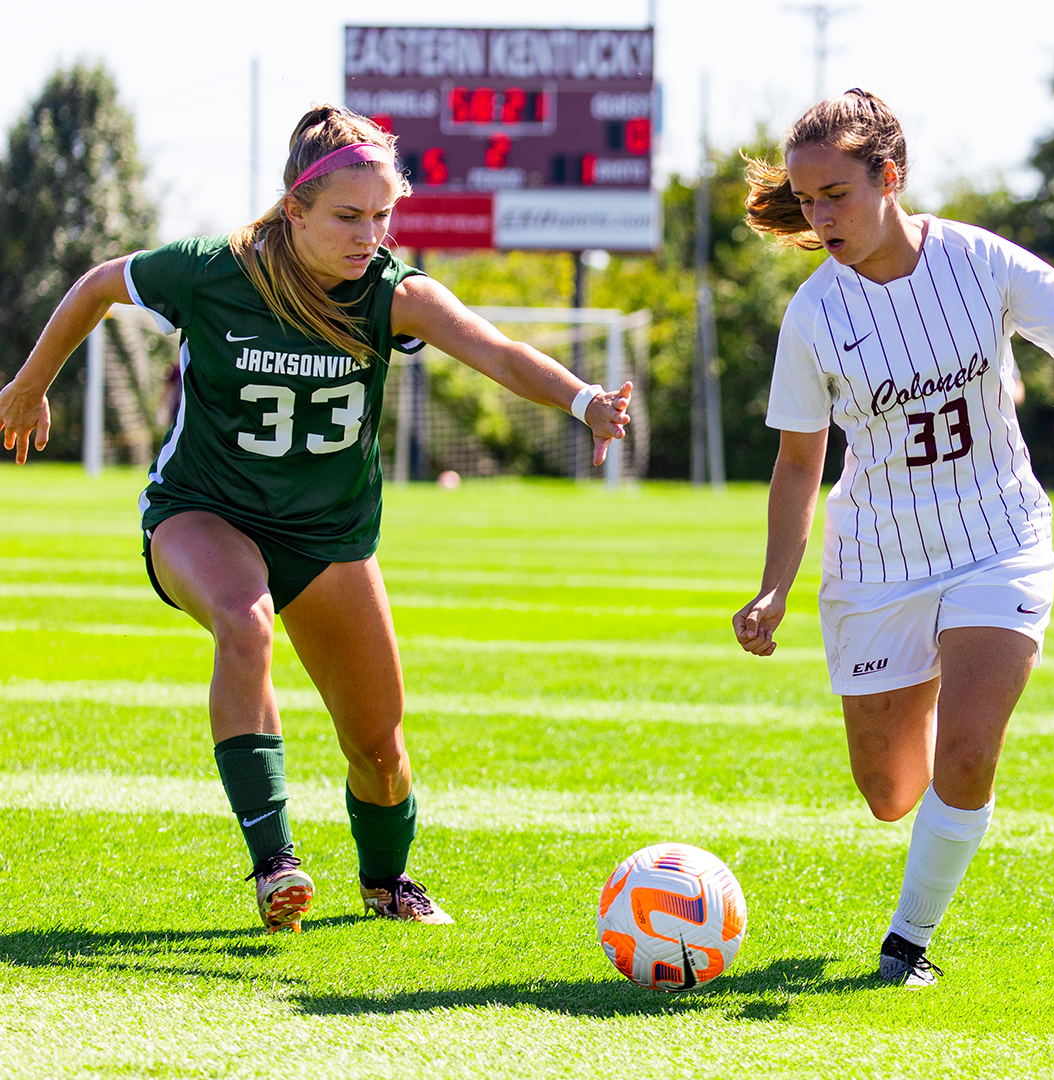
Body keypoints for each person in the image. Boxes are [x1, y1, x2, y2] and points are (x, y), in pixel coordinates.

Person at [0, 105, 632, 933]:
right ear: (293, 210)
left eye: (382, 216)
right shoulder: (210, 270)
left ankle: (386, 882)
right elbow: (95, 287)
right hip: (204, 511)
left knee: (379, 749)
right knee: (245, 620)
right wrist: (28, 385)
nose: (369, 235)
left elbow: (494, 349)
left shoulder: (390, 295)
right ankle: (275, 861)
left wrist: (584, 401)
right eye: (347, 216)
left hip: (327, 537)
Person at [731, 90, 1054, 986]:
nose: (820, 216)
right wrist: (774, 585)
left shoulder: (978, 260)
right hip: (876, 561)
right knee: (889, 796)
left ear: (890, 177)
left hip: (1000, 537)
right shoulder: (814, 316)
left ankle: (906, 943)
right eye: (806, 200)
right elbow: (801, 465)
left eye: (836, 193)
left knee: (968, 749)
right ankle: (940, 662)